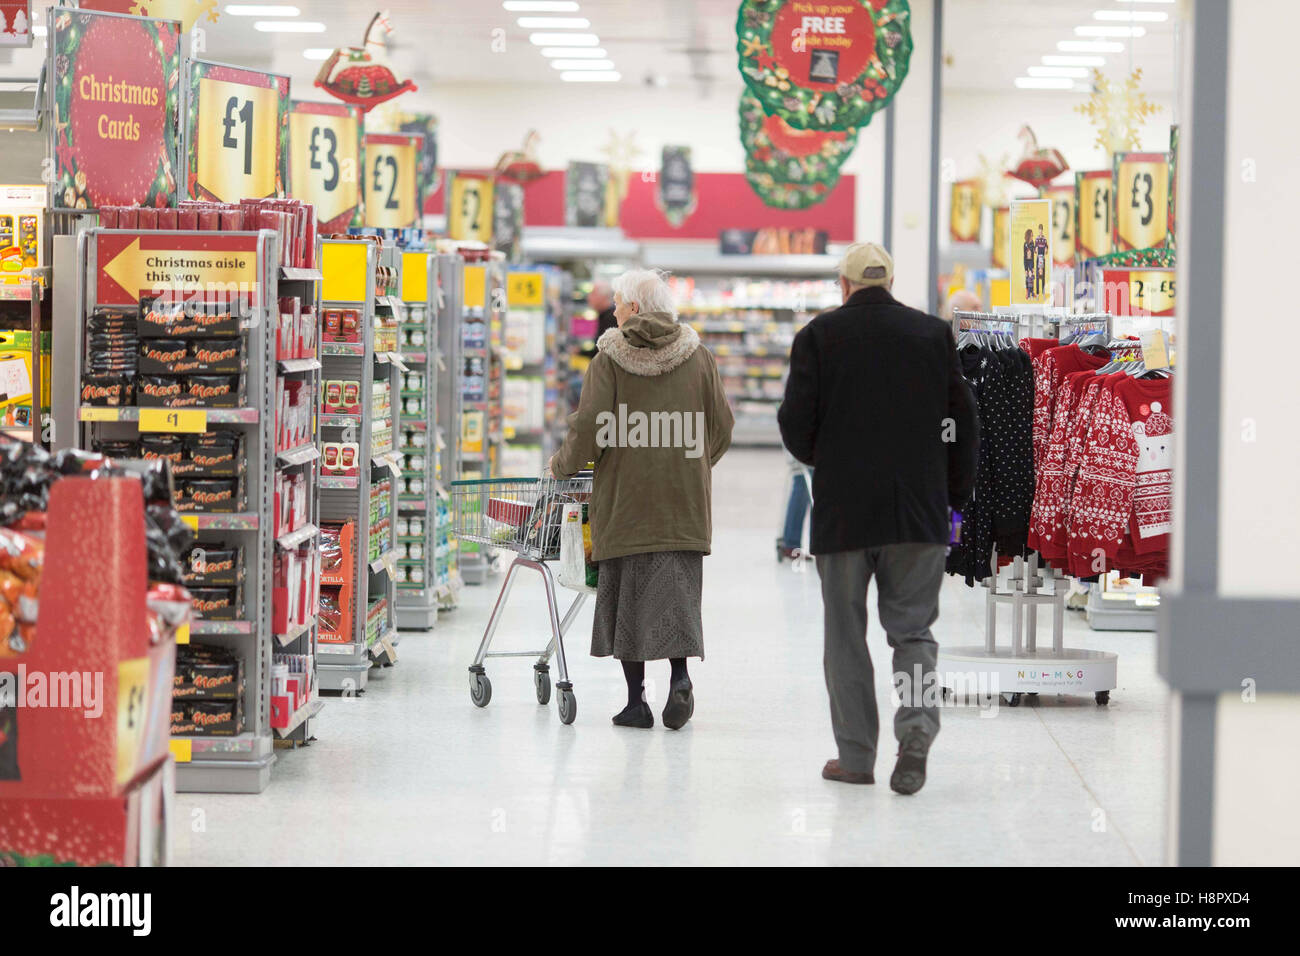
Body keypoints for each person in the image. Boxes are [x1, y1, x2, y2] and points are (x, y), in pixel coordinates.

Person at [778, 242, 979, 794]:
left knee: (845, 634)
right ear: (890, 282)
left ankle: (856, 757)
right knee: (913, 632)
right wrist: (953, 499)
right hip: (918, 513)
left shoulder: (818, 338)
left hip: (844, 515)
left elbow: (796, 428)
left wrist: (833, 455)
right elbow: (964, 426)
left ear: (843, 285)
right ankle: (914, 733)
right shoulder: (933, 335)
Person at [551, 269, 734, 730]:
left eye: (617, 302)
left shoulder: (609, 361)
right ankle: (679, 678)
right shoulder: (699, 357)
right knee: (676, 595)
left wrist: (561, 466)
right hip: (683, 505)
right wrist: (691, 466)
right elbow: (723, 426)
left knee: (627, 599)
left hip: (626, 504)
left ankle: (636, 702)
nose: (613, 311)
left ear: (633, 308)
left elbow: (589, 425)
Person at [1022, 228, 1035, 298]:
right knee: (1027, 276)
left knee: (1032, 277)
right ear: (1028, 235)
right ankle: (1027, 291)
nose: (1032, 236)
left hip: (1031, 261)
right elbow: (1025, 255)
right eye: (1031, 235)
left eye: (1033, 235)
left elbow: (1033, 252)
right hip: (1026, 261)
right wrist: (1025, 269)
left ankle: (1032, 291)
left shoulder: (1032, 243)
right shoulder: (1025, 244)